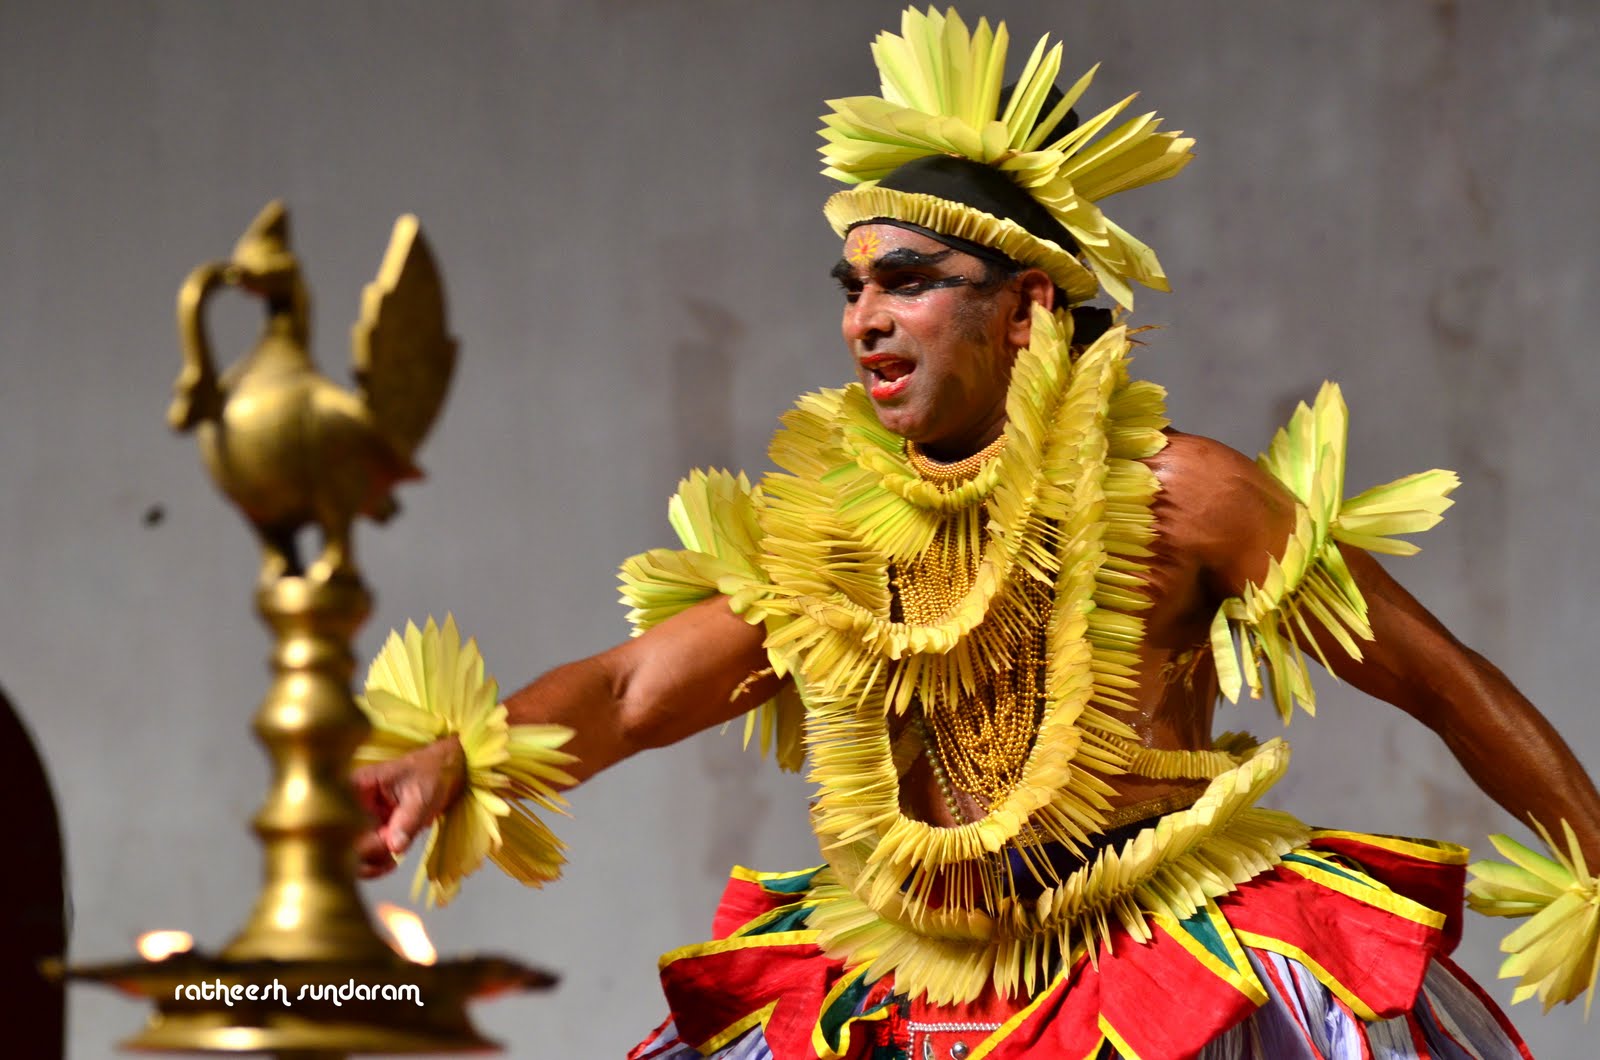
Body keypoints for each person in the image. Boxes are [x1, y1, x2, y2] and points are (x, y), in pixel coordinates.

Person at [353, 9, 1600, 1058]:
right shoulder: (835, 535)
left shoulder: (1187, 495)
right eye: (853, 290)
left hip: (1153, 973)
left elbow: (1440, 683)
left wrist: (1593, 859)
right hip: (911, 989)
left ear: (1026, 305)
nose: (865, 323)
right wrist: (452, 760)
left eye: (906, 282)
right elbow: (631, 691)